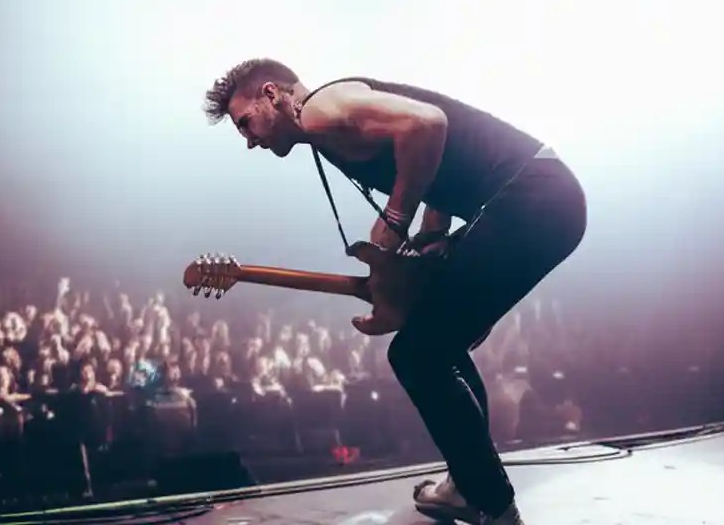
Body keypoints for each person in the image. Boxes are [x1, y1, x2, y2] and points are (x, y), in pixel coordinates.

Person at [203, 58, 586, 524]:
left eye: (245, 122)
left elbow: (428, 125)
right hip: (543, 197)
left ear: (271, 94)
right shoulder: (328, 124)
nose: (248, 140)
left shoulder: (320, 109)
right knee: (436, 344)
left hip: (533, 198)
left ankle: (496, 508)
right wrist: (428, 243)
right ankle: (468, 485)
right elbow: (437, 171)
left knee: (417, 355)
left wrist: (394, 224)